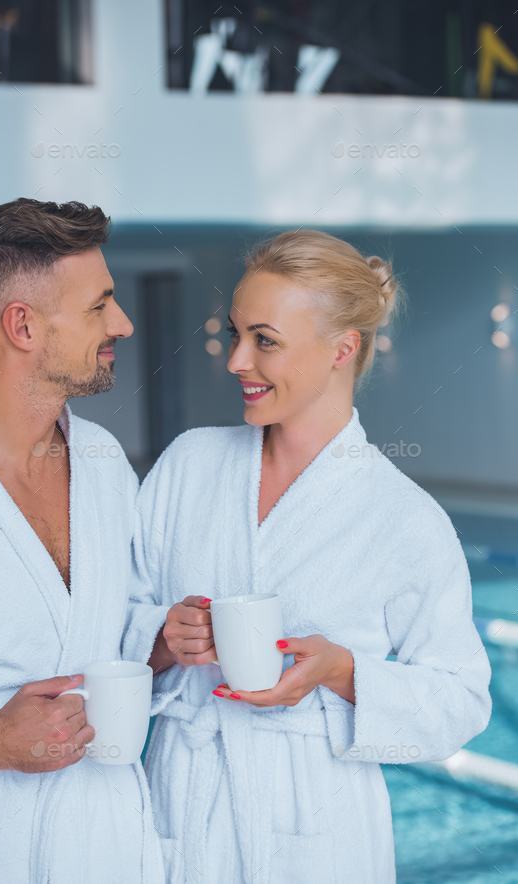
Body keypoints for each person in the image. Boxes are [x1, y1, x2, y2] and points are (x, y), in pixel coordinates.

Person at [123, 230, 492, 883]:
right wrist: (159, 637)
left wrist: (343, 671)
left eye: (264, 340)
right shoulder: (188, 464)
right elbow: (109, 618)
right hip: (180, 805)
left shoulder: (402, 517)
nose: (236, 360)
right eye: (236, 333)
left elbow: (461, 702)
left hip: (315, 827)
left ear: (341, 350)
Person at [0, 199, 164, 884]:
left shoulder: (102, 459)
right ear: (22, 325)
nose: (122, 324)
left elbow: (118, 626)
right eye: (99, 307)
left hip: (105, 851)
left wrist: (165, 637)